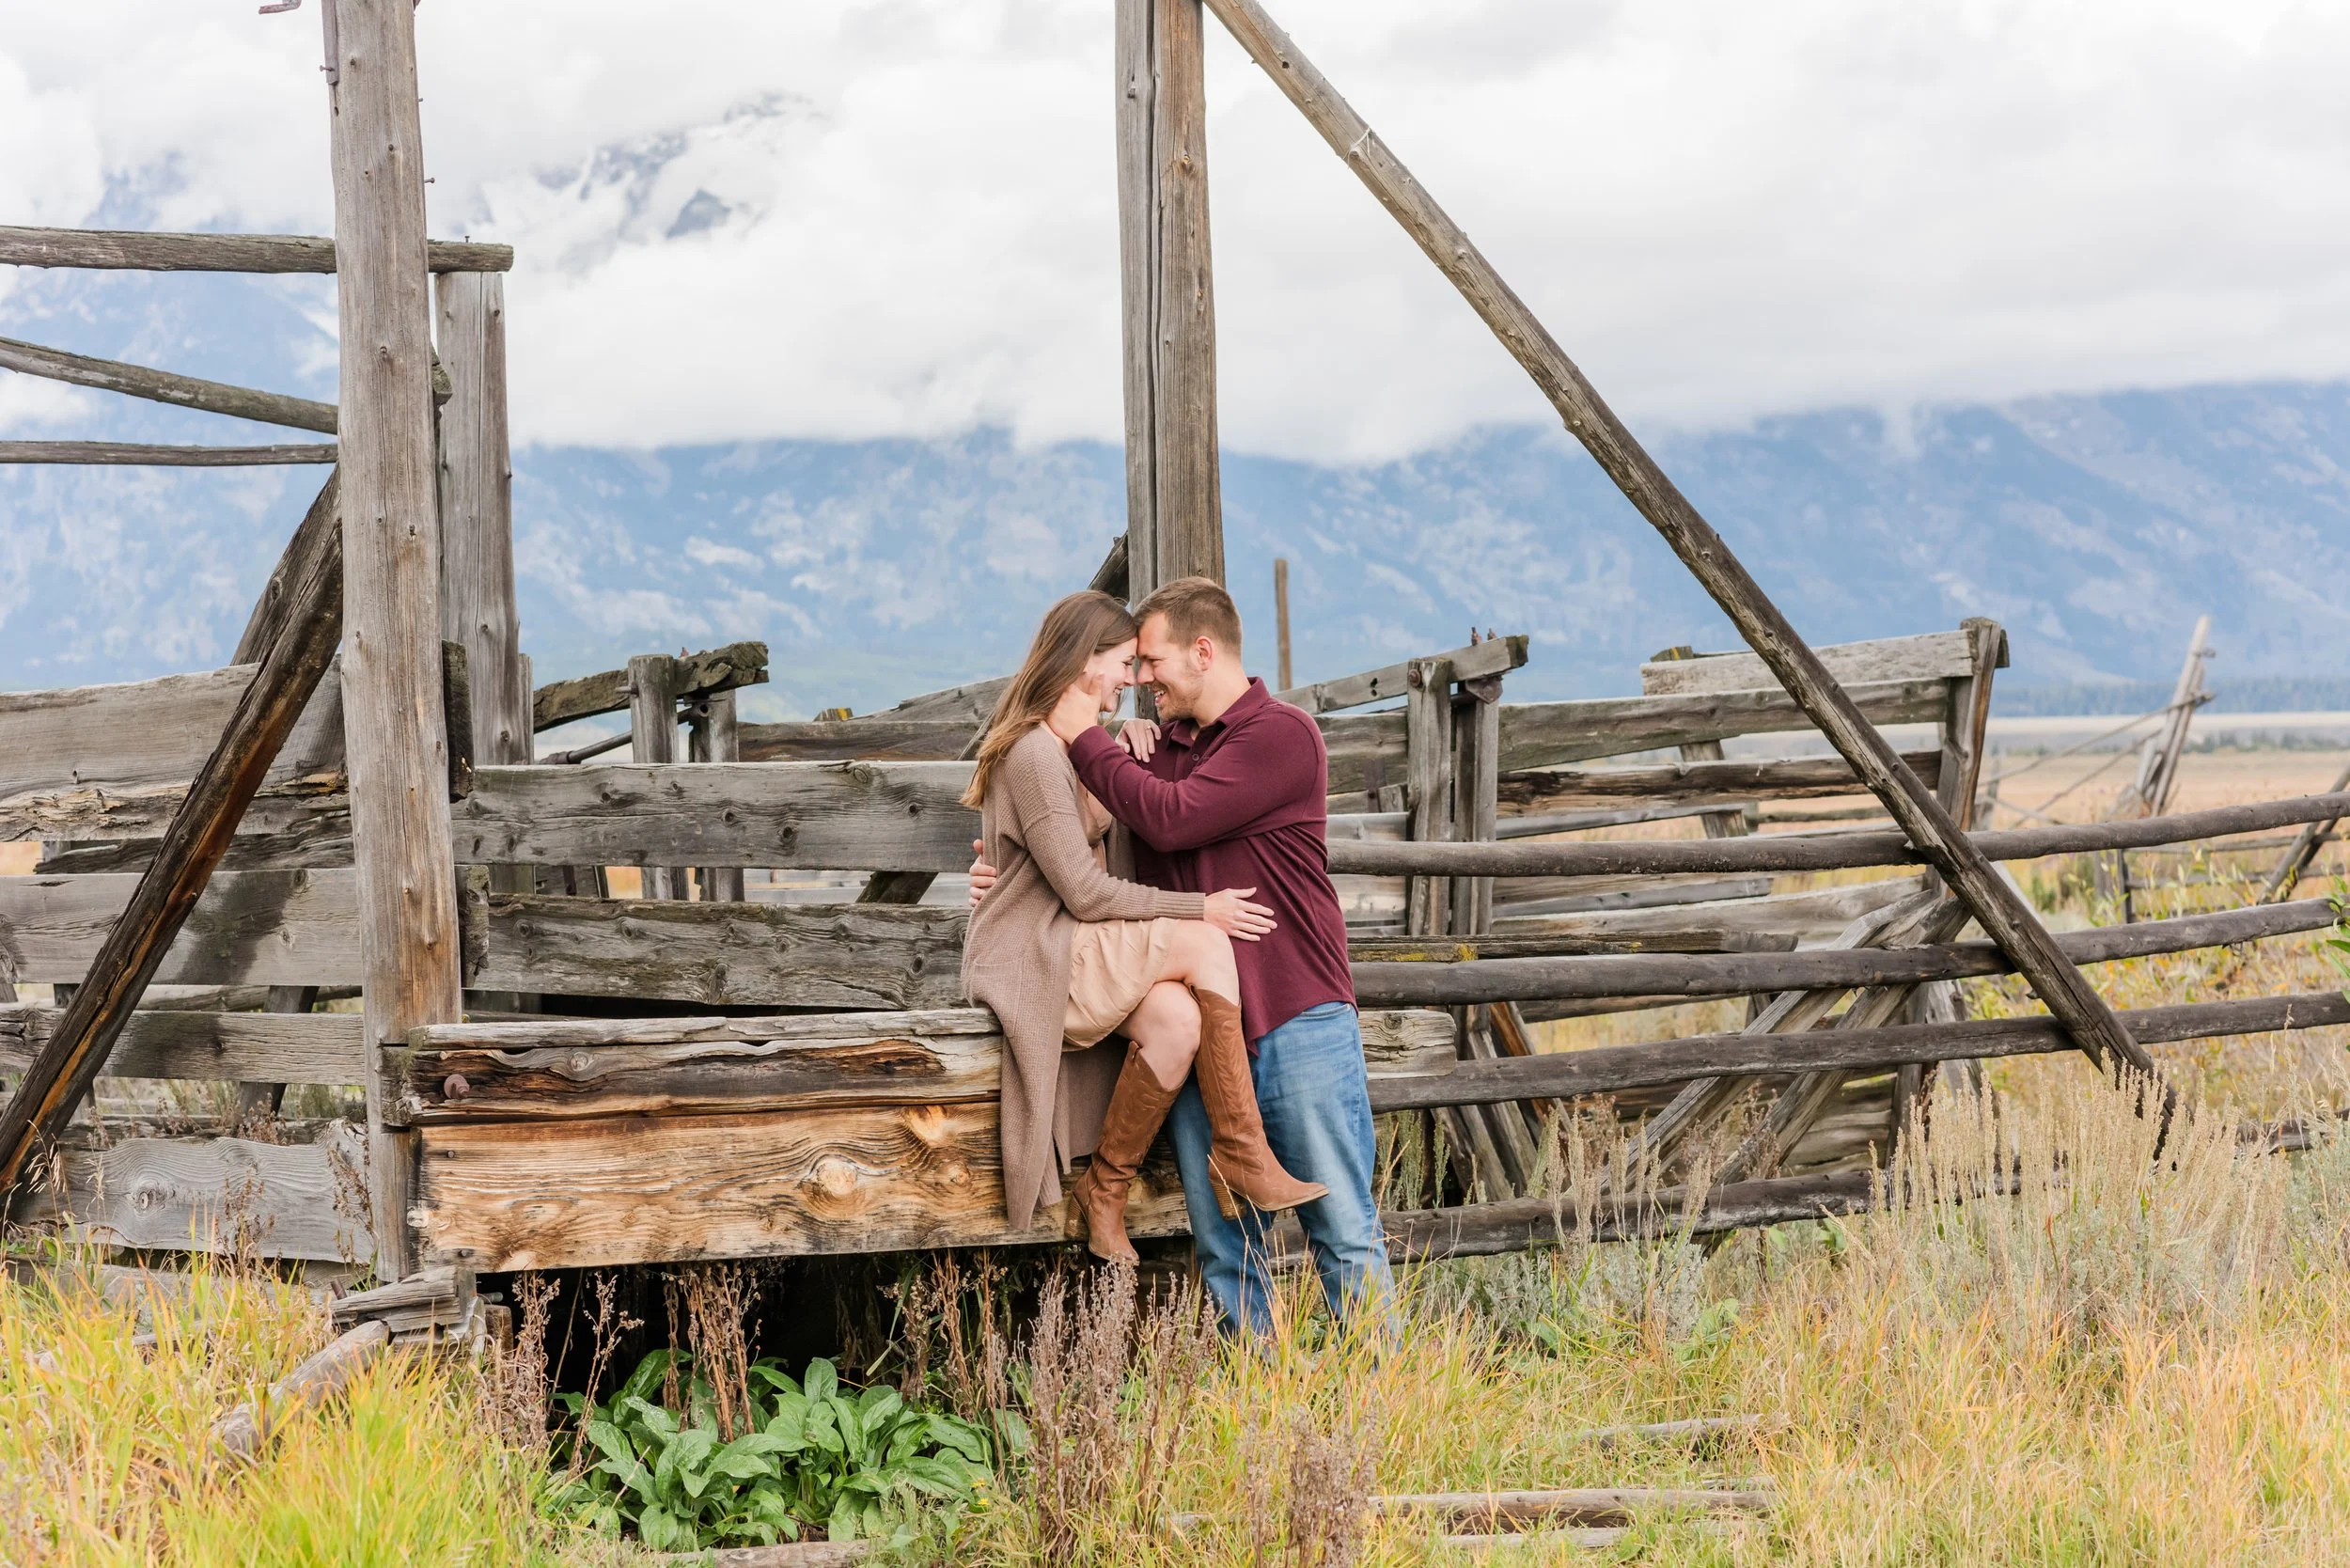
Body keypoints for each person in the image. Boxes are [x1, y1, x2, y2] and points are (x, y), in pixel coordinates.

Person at [974, 576, 1394, 1333]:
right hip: (1207, 1026)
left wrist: (1089, 737)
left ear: (1204, 652)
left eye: (1154, 661)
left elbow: (1170, 820)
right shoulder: (1156, 750)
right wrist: (1007, 882)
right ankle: (1255, 1413)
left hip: (1298, 1015)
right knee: (1229, 1251)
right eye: (1130, 664)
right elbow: (1092, 840)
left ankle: (1390, 1419)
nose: (1141, 681)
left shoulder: (1282, 735)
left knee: (1345, 1233)